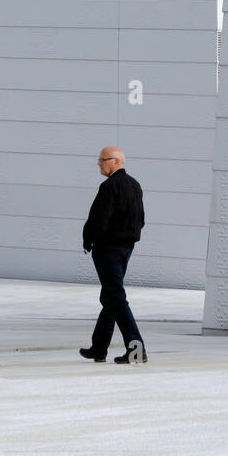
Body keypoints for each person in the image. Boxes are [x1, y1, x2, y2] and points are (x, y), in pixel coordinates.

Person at [79, 147, 147, 365]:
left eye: (101, 160)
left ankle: (136, 349)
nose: (98, 163)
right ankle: (99, 348)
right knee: (110, 297)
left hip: (108, 249)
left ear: (115, 161)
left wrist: (90, 240)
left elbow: (100, 219)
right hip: (126, 248)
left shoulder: (109, 186)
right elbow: (141, 219)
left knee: (116, 296)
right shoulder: (135, 185)